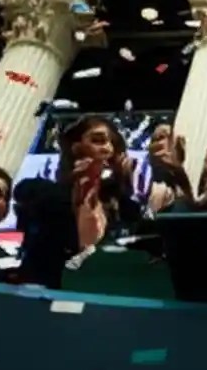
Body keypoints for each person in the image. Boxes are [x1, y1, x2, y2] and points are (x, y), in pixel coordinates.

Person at [12, 115, 140, 288]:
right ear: (76, 148)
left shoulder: (124, 208)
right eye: (98, 140)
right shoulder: (44, 194)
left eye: (113, 144)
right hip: (48, 291)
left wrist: (123, 184)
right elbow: (23, 192)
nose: (108, 148)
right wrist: (75, 181)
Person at [142, 123, 193, 214]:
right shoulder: (141, 177)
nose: (157, 143)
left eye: (162, 137)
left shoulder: (182, 187)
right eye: (154, 139)